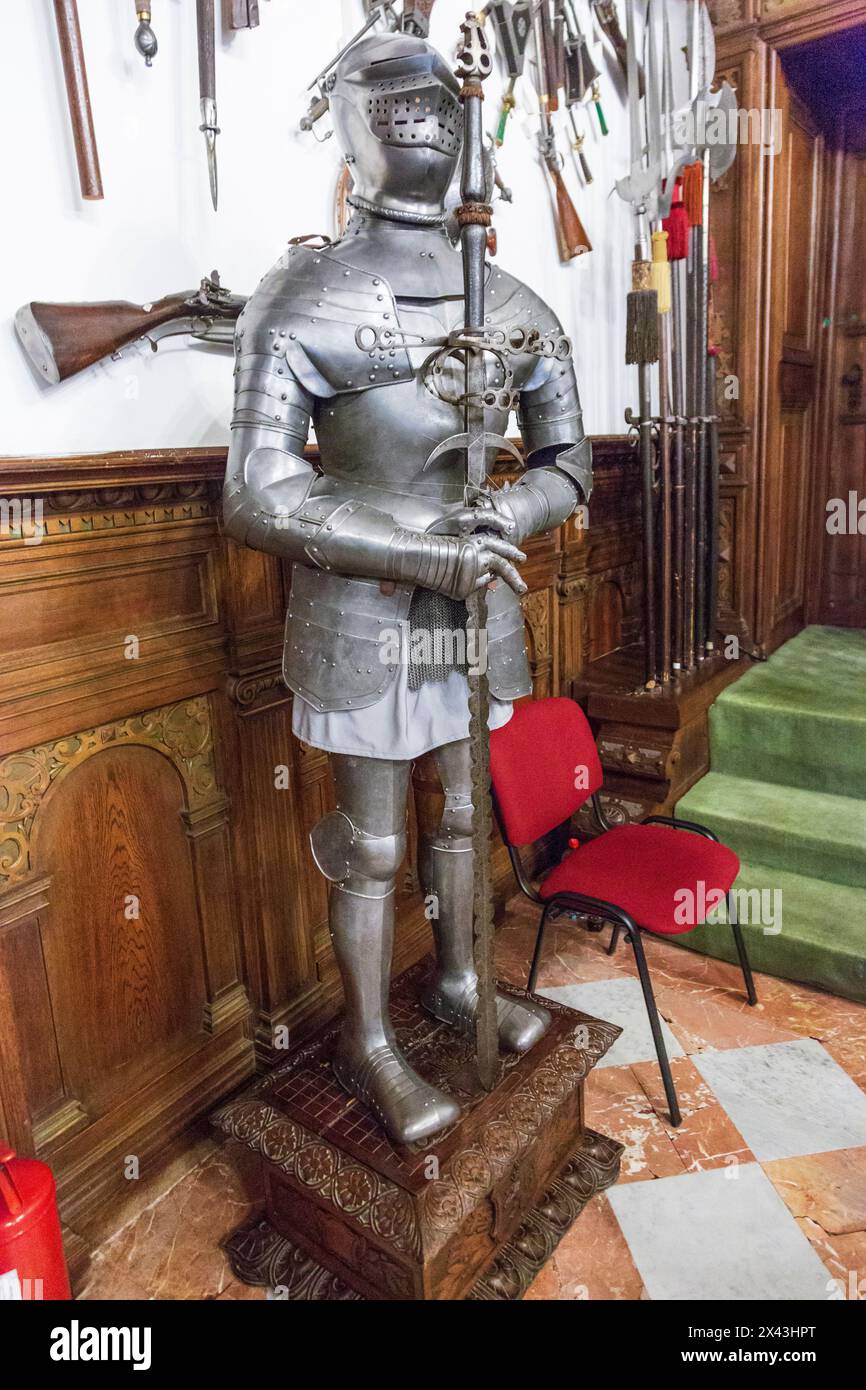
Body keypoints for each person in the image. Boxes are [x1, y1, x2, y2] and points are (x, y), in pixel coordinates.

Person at [223, 30, 591, 1144]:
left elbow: (569, 464)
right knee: (373, 843)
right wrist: (412, 550)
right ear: (352, 127)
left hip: (472, 606)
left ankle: (463, 984)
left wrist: (508, 513)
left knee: (468, 818)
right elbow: (254, 492)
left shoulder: (515, 298)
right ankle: (368, 1039)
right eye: (396, 111)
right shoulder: (300, 293)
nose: (418, 128)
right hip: (364, 611)